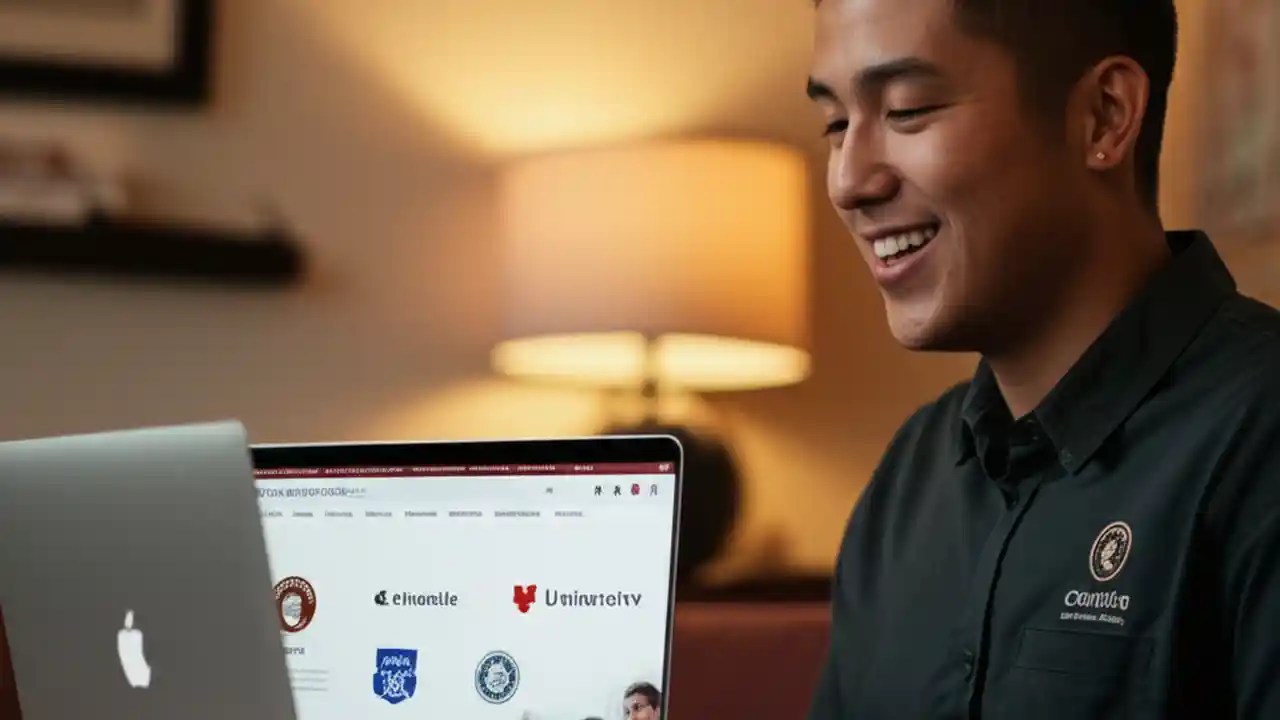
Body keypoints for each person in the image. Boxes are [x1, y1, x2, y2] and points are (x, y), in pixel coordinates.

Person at [805, 0, 1280, 718]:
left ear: (1104, 116)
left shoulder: (1259, 439)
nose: (848, 180)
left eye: (907, 110)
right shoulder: (908, 481)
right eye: (837, 124)